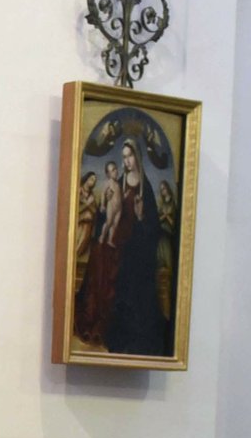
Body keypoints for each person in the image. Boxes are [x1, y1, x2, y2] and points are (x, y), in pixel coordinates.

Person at [75, 138, 176, 357]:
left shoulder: (145, 187)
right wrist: (104, 205)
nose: (127, 161)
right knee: (98, 256)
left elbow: (153, 229)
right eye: (124, 157)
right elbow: (106, 215)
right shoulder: (118, 182)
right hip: (118, 240)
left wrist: (140, 215)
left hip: (135, 247)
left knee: (128, 273)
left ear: (137, 157)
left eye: (129, 156)